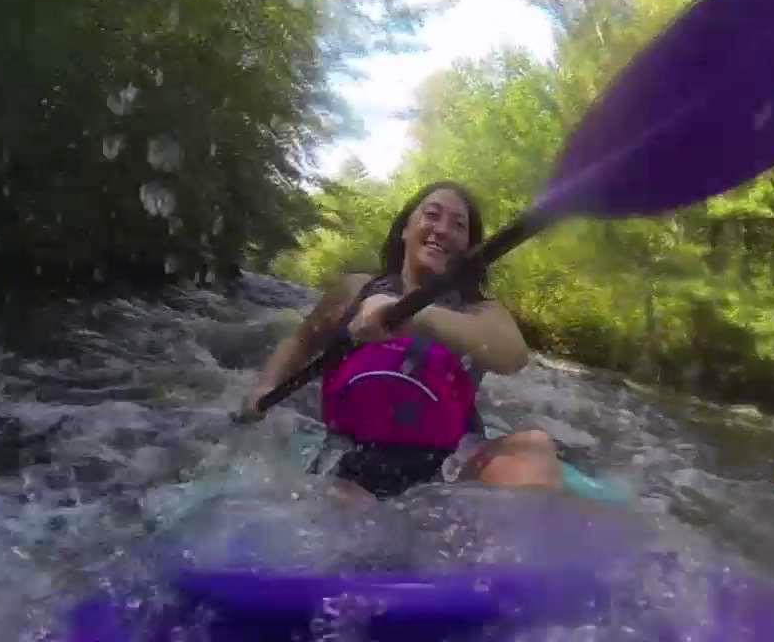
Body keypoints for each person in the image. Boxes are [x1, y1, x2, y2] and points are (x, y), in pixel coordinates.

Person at [240, 181, 562, 499]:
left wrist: (419, 318)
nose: (442, 230)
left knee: (534, 448)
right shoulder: (356, 289)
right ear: (405, 229)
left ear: (469, 249)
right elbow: (301, 341)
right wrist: (265, 386)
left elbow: (513, 355)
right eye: (432, 215)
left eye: (458, 225)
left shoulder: (479, 311)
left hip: (445, 469)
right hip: (349, 458)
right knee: (346, 500)